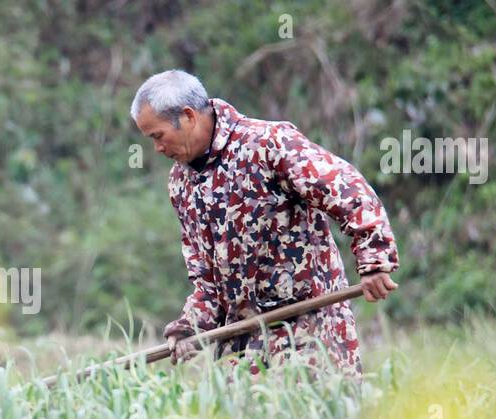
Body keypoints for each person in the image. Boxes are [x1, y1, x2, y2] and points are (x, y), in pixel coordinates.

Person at [131, 69, 398, 376]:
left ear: (189, 117)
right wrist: (190, 326)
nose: (157, 149)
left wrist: (375, 261)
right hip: (241, 343)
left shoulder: (266, 144)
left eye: (157, 136)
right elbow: (205, 276)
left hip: (307, 329)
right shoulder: (181, 182)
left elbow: (346, 189)